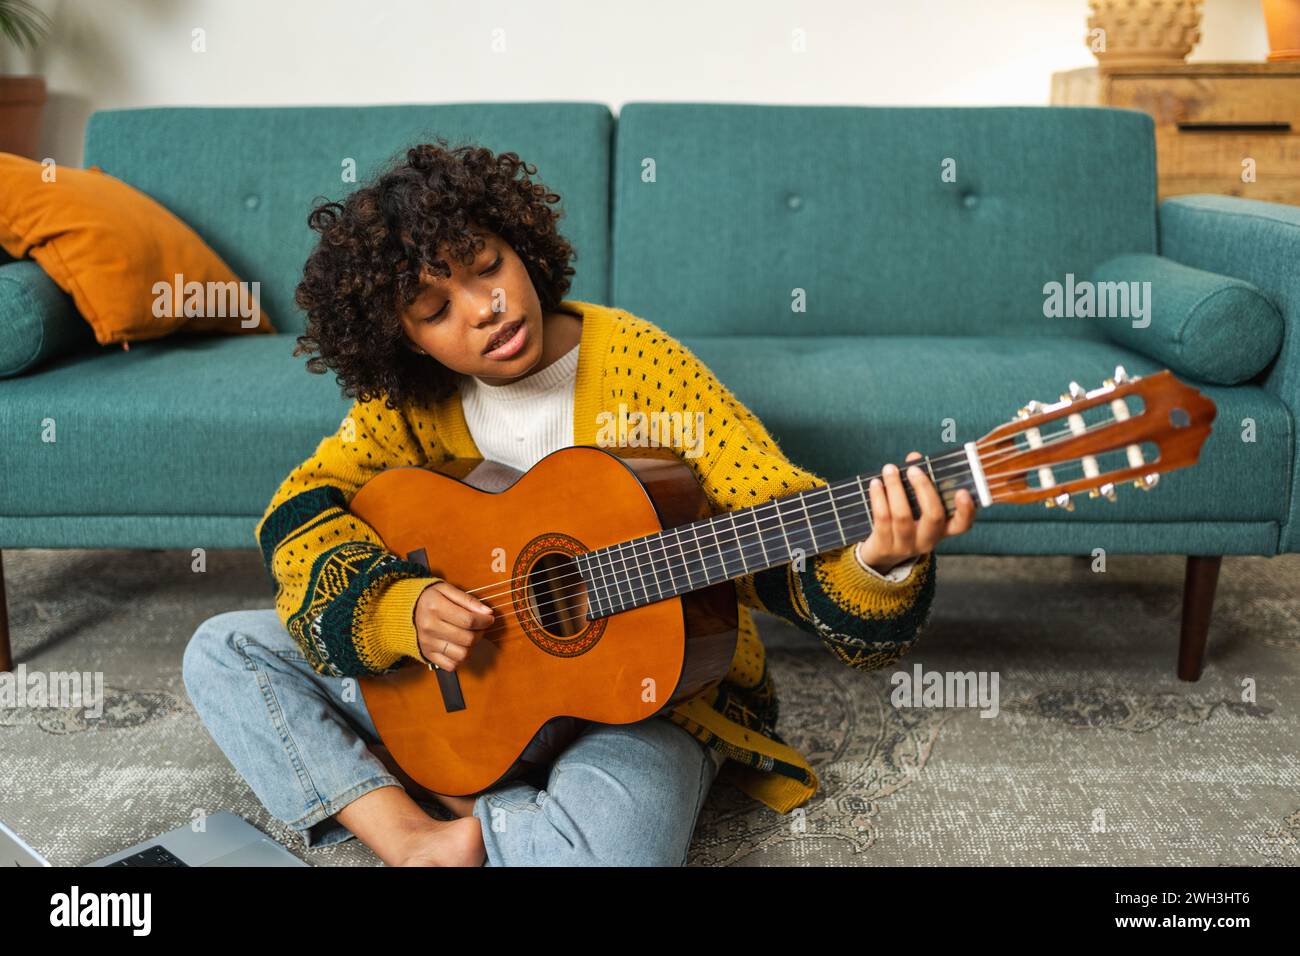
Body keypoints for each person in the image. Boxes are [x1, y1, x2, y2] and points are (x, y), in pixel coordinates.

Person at [182, 139, 976, 867]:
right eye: (434, 310)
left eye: (485, 265)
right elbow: (300, 509)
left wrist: (880, 559)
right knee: (222, 650)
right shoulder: (411, 402)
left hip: (648, 707)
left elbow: (772, 513)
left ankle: (471, 800)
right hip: (474, 688)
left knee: (619, 849)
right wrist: (396, 608)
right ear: (404, 340)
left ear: (520, 246)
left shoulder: (644, 367)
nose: (482, 307)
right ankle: (411, 833)